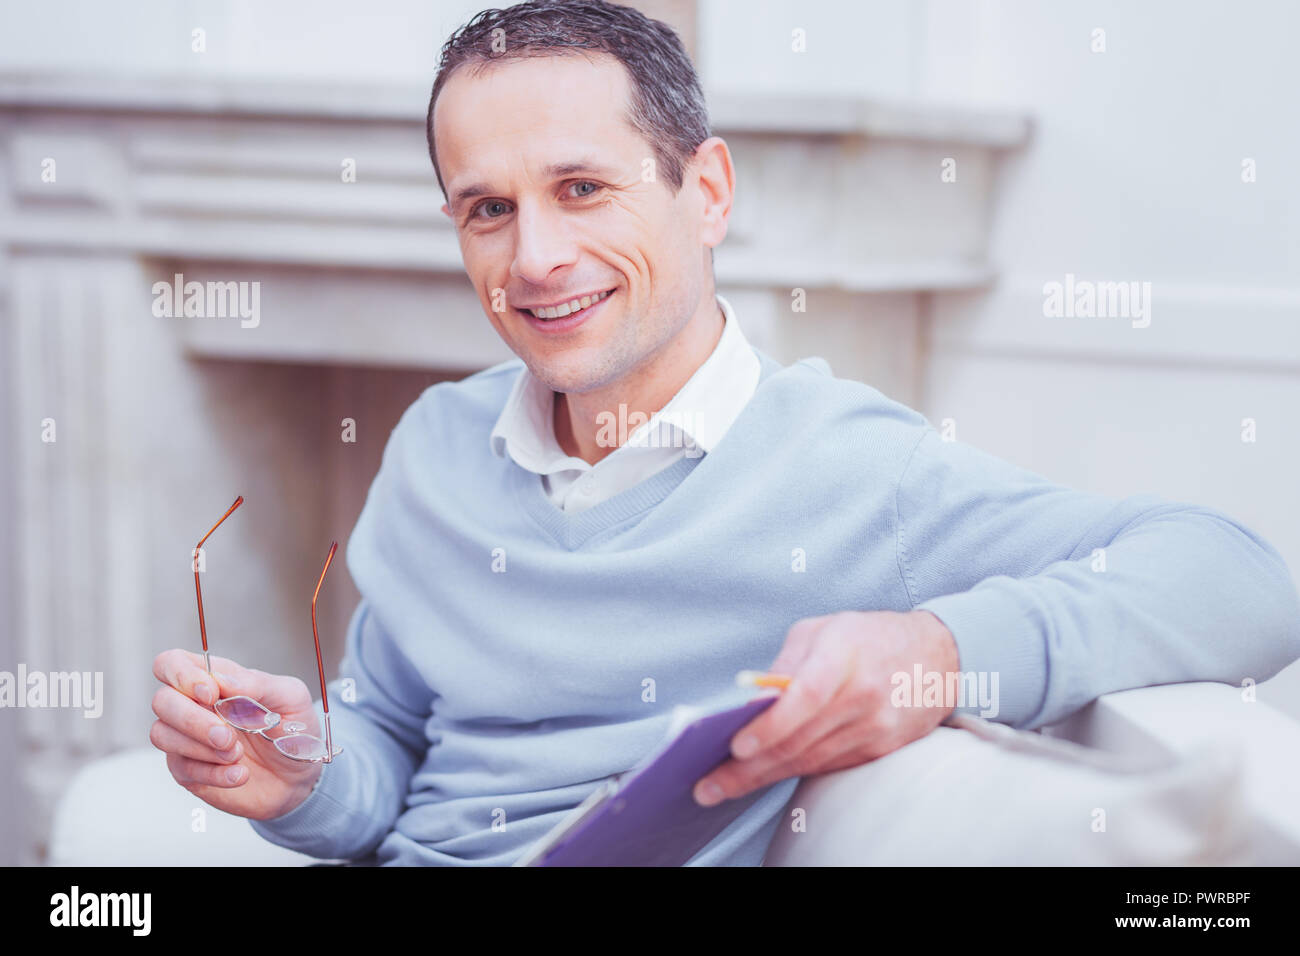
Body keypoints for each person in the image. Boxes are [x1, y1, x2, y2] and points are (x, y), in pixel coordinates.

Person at [149, 0, 1300, 866]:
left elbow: (1244, 579)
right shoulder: (435, 446)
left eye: (583, 187)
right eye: (487, 208)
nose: (535, 258)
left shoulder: (853, 469)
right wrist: (300, 776)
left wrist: (939, 647)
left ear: (705, 192)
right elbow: (390, 749)